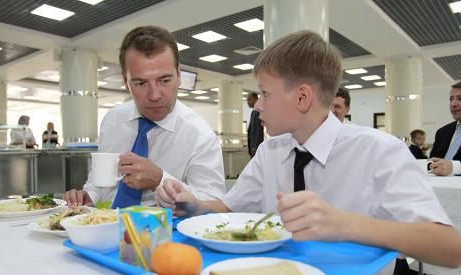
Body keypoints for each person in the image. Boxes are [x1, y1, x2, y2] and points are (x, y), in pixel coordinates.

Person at [156, 30, 461, 269]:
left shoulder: (380, 151)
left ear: (302, 97)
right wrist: (195, 205)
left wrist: (345, 224)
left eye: (265, 93)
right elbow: (230, 207)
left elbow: (449, 248)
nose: (258, 105)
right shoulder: (270, 151)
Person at [63, 26, 225, 207]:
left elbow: (213, 204)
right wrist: (89, 196)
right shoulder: (113, 120)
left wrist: (160, 180)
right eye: (141, 83)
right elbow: (99, 183)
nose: (155, 95)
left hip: (164, 232)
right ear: (125, 80)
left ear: (179, 75)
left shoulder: (200, 136)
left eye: (164, 80)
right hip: (105, 226)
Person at [429, 82, 461, 176]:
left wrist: (454, 167)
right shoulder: (442, 132)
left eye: (460, 99)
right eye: (451, 99)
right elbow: (432, 161)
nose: (453, 104)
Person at [247, 93, 264, 157]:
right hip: (253, 146)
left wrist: (255, 146)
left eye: (249, 100)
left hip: (256, 147)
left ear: (256, 99)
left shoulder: (258, 112)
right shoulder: (253, 112)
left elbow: (259, 131)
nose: (248, 102)